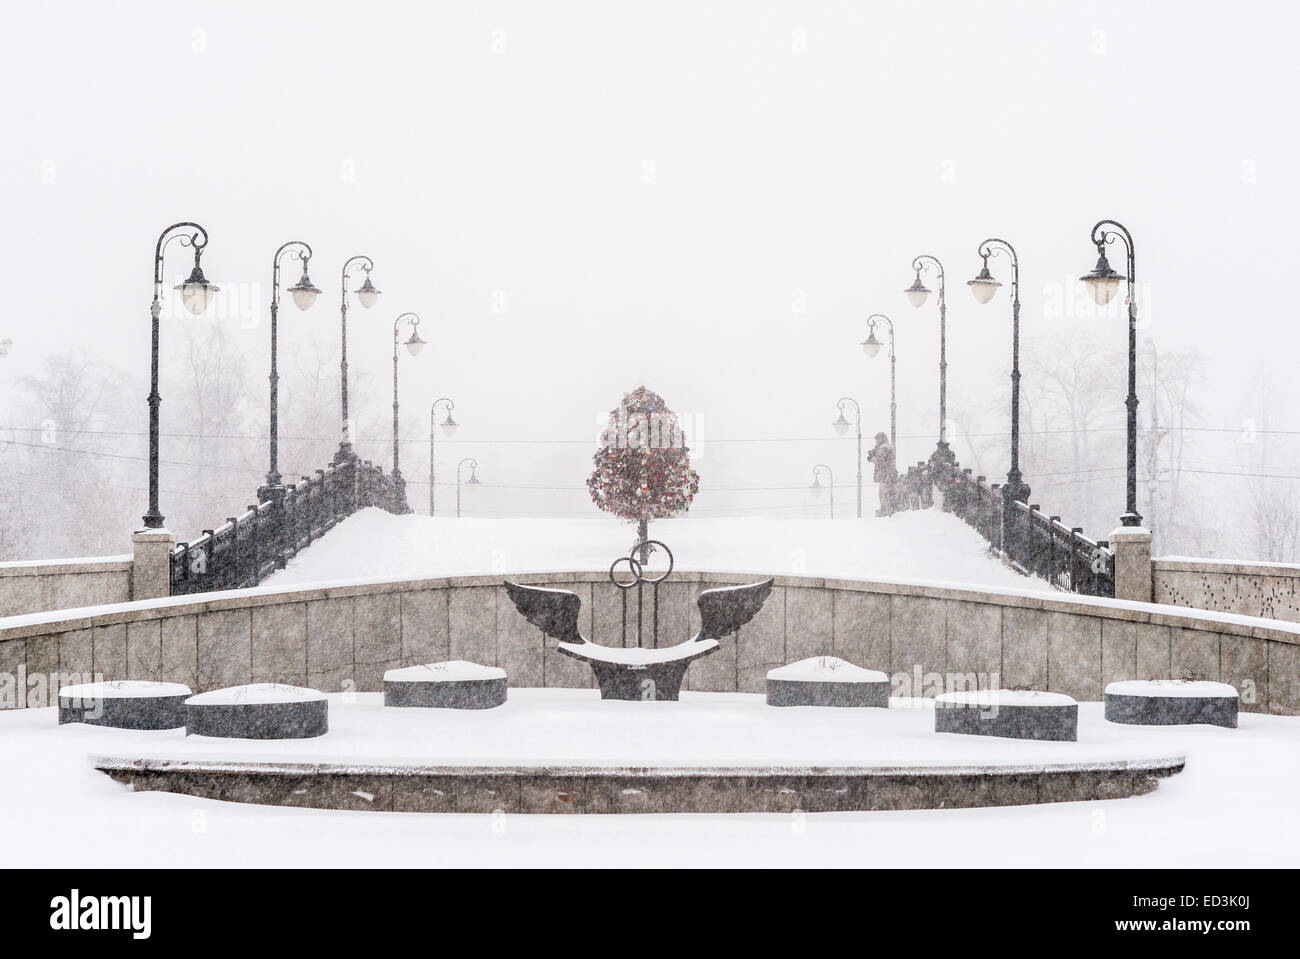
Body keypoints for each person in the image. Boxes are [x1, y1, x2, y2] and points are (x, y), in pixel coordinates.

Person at [868, 431, 898, 517]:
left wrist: (872, 458)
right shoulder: (887, 446)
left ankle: (885, 510)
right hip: (889, 473)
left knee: (883, 493)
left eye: (877, 439)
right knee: (886, 492)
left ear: (882, 438)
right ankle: (886, 509)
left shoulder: (883, 447)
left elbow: (880, 461)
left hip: (885, 474)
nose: (876, 441)